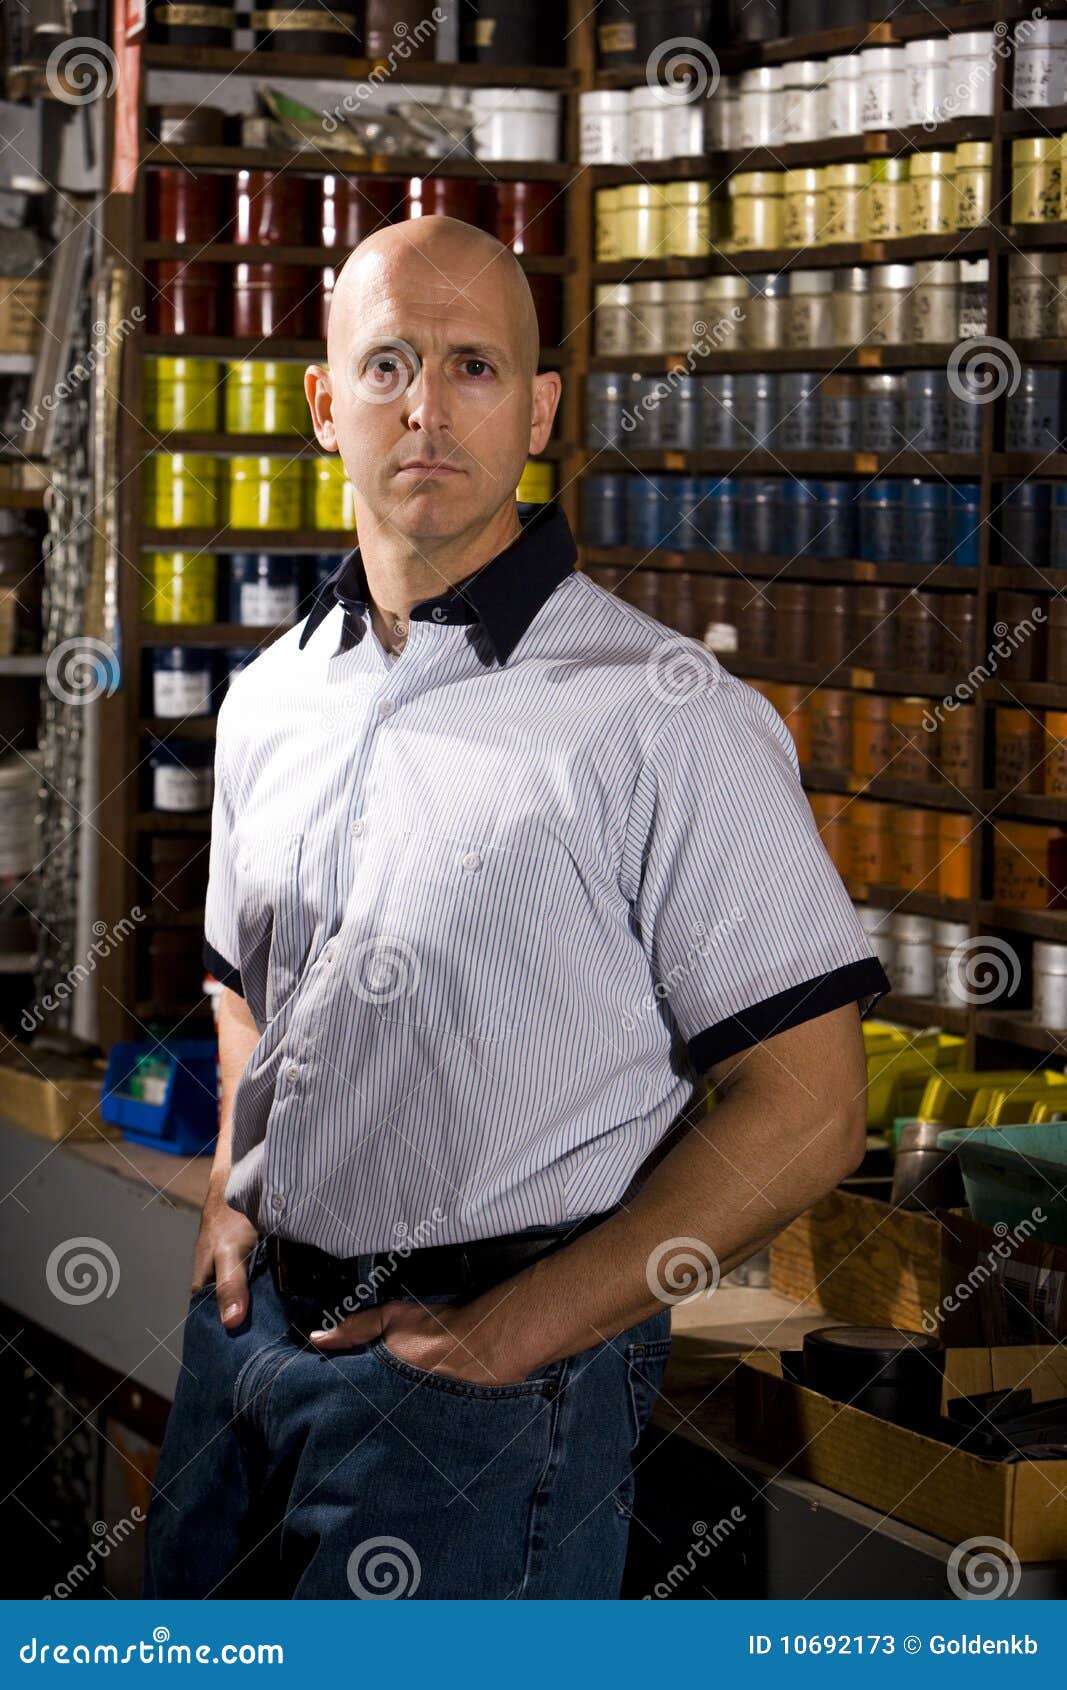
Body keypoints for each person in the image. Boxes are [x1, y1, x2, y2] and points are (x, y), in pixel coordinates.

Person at [143, 215, 889, 1600]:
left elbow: (810, 1108)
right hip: (241, 1347)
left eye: (475, 366)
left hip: (479, 1391)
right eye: (387, 365)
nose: (426, 406)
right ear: (323, 406)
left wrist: (506, 1339)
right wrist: (233, 1207)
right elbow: (244, 984)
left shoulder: (668, 720)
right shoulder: (271, 699)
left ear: (540, 410)